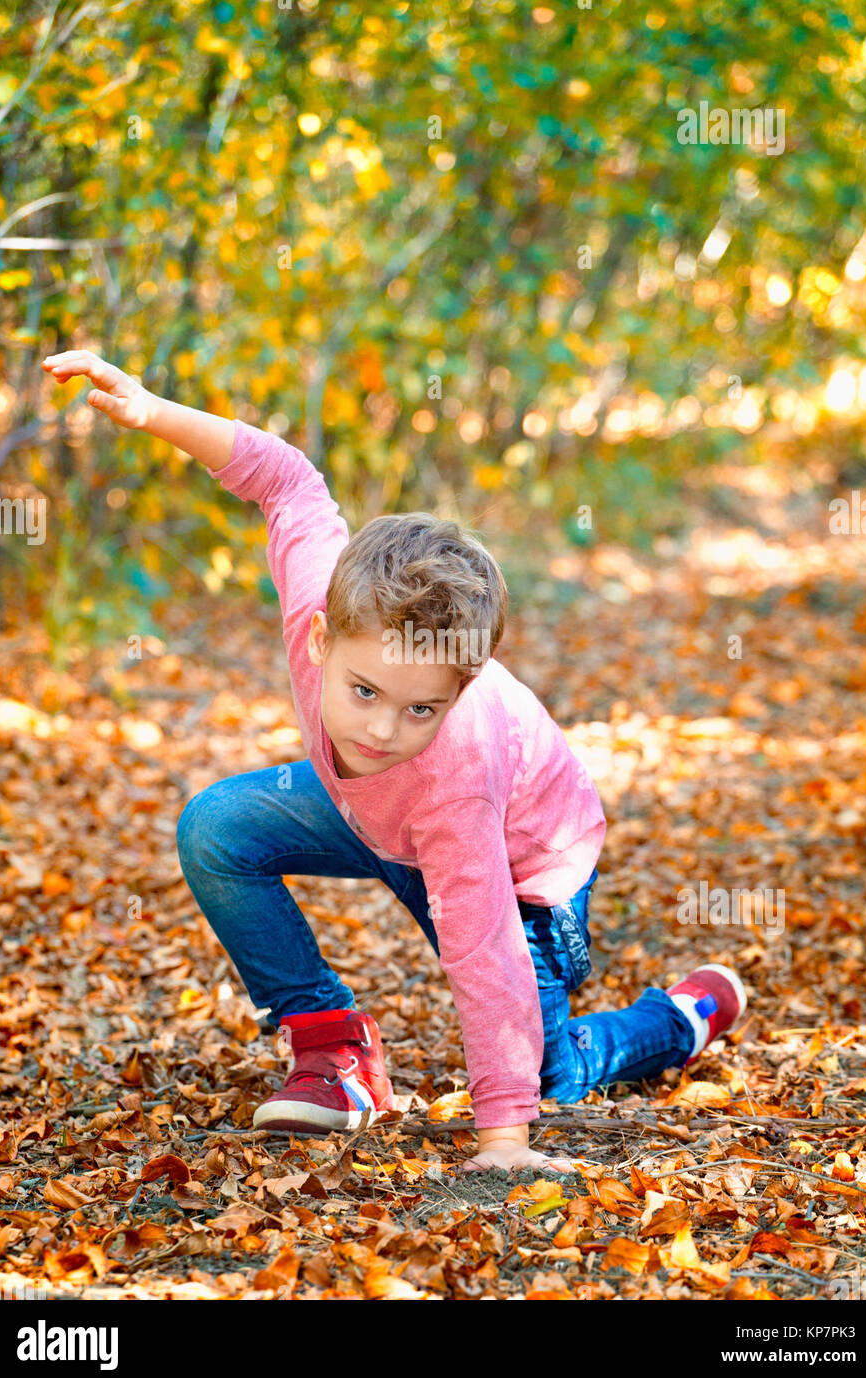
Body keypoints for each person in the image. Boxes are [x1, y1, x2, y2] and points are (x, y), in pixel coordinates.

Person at [41, 350, 747, 1173]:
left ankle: (682, 1015)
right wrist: (153, 410)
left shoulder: (456, 778)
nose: (381, 728)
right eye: (365, 691)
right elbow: (289, 482)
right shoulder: (326, 599)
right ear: (321, 639)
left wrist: (503, 1140)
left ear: (461, 684)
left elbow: (482, 952)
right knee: (218, 828)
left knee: (546, 1077)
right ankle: (334, 1049)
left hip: (520, 856)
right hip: (370, 813)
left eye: (422, 708)